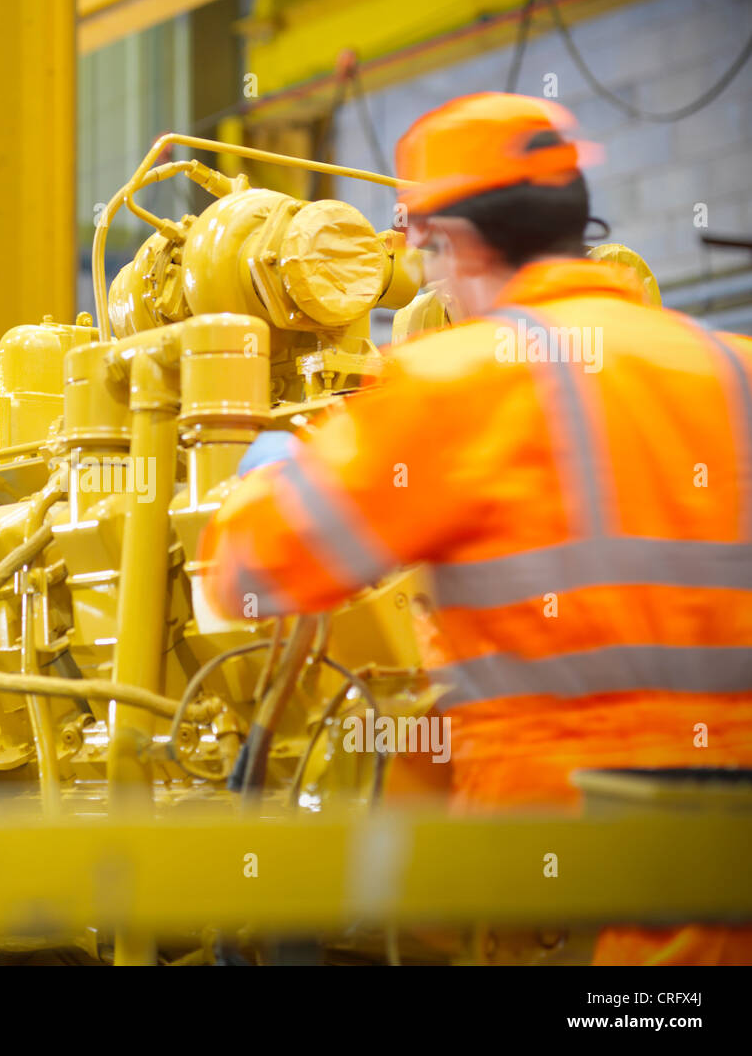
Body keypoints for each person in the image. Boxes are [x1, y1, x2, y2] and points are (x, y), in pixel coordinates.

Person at [198, 92, 752, 966]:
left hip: (562, 891)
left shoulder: (456, 383)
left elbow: (255, 572)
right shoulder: (732, 370)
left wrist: (264, 470)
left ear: (444, 240)